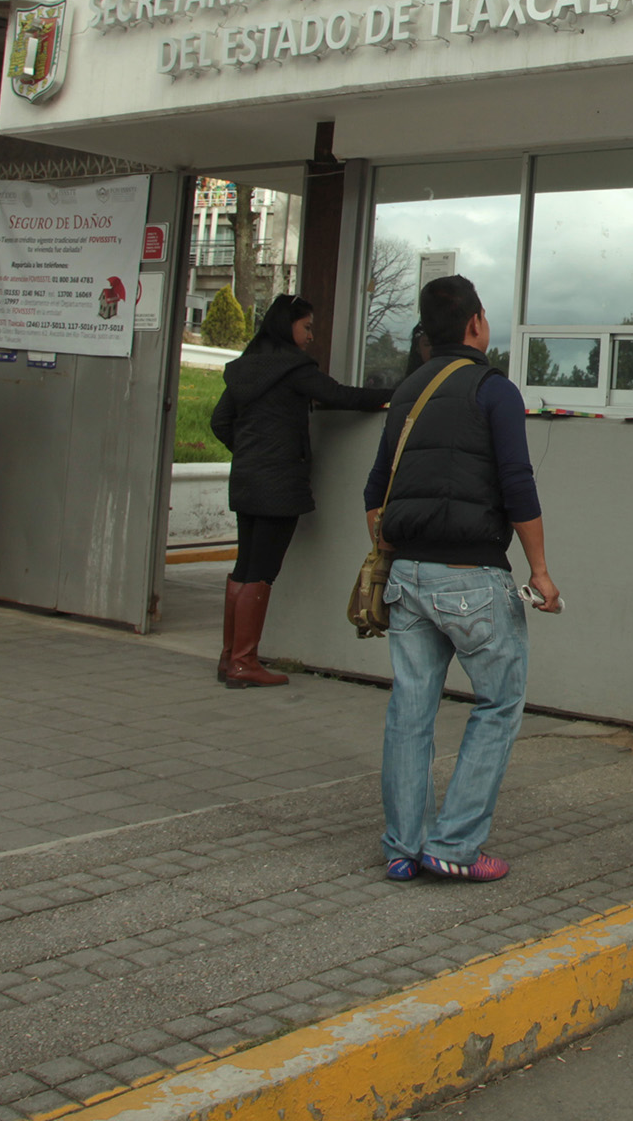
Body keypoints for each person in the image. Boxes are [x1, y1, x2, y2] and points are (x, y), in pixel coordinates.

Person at [367, 275, 560, 884]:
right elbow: (517, 483)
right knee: (499, 703)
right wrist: (540, 571)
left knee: (410, 709)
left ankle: (403, 847)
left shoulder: (408, 391)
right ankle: (454, 845)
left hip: (407, 575)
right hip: (472, 577)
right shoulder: (493, 389)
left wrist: (389, 553)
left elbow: (375, 490)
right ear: (476, 323)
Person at [209, 293, 391, 688]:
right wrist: (397, 393)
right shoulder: (292, 368)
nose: (310, 336)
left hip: (247, 479)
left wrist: (251, 452)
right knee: (262, 571)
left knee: (245, 566)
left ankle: (229, 658)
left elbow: (220, 421)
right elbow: (342, 396)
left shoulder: (246, 368)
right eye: (307, 327)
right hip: (278, 483)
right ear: (287, 325)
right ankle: (244, 663)